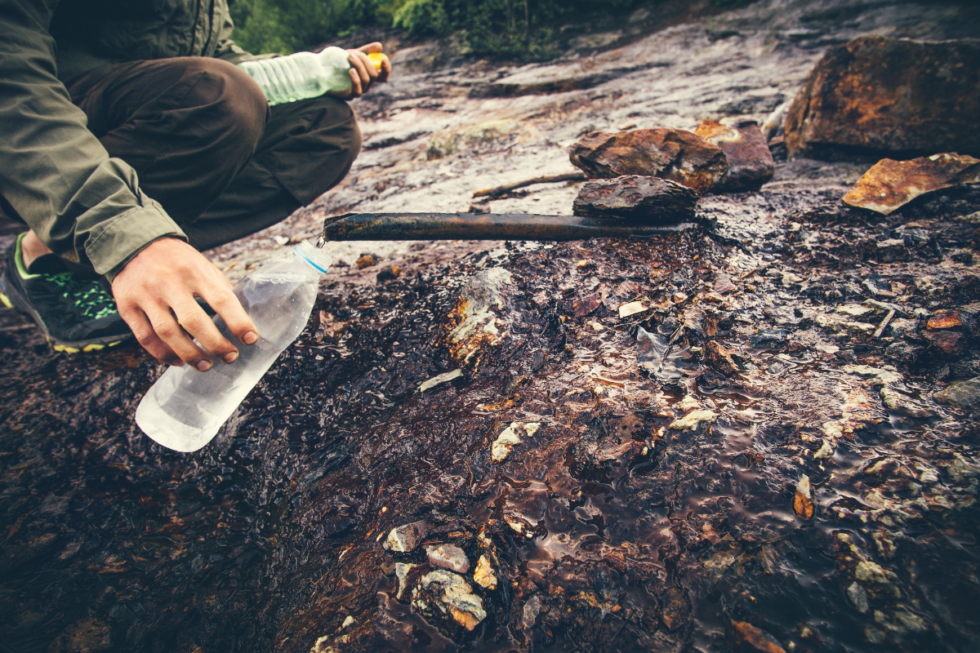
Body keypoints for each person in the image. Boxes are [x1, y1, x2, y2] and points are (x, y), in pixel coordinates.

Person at [0, 0, 390, 370]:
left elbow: (214, 60)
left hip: (142, 97)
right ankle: (46, 253)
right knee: (218, 97)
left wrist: (312, 74)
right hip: (36, 136)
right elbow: (11, 79)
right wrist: (122, 232)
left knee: (324, 126)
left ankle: (101, 263)